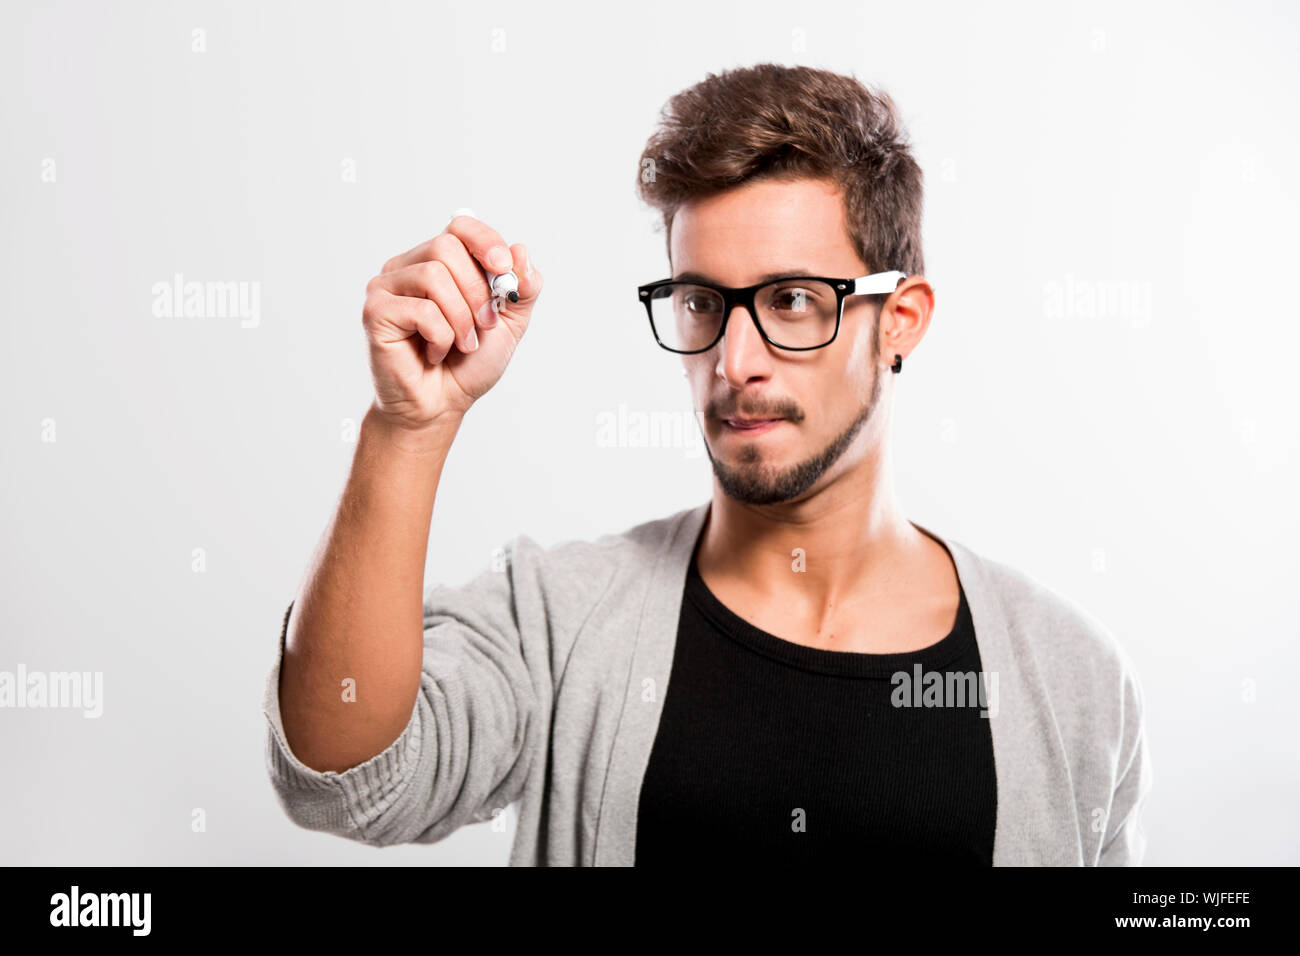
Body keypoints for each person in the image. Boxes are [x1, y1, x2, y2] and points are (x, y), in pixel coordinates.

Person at [261, 63, 1151, 866]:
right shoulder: (564, 622)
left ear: (902, 319)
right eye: (701, 303)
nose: (734, 361)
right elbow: (347, 781)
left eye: (792, 300)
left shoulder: (1070, 680)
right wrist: (406, 428)